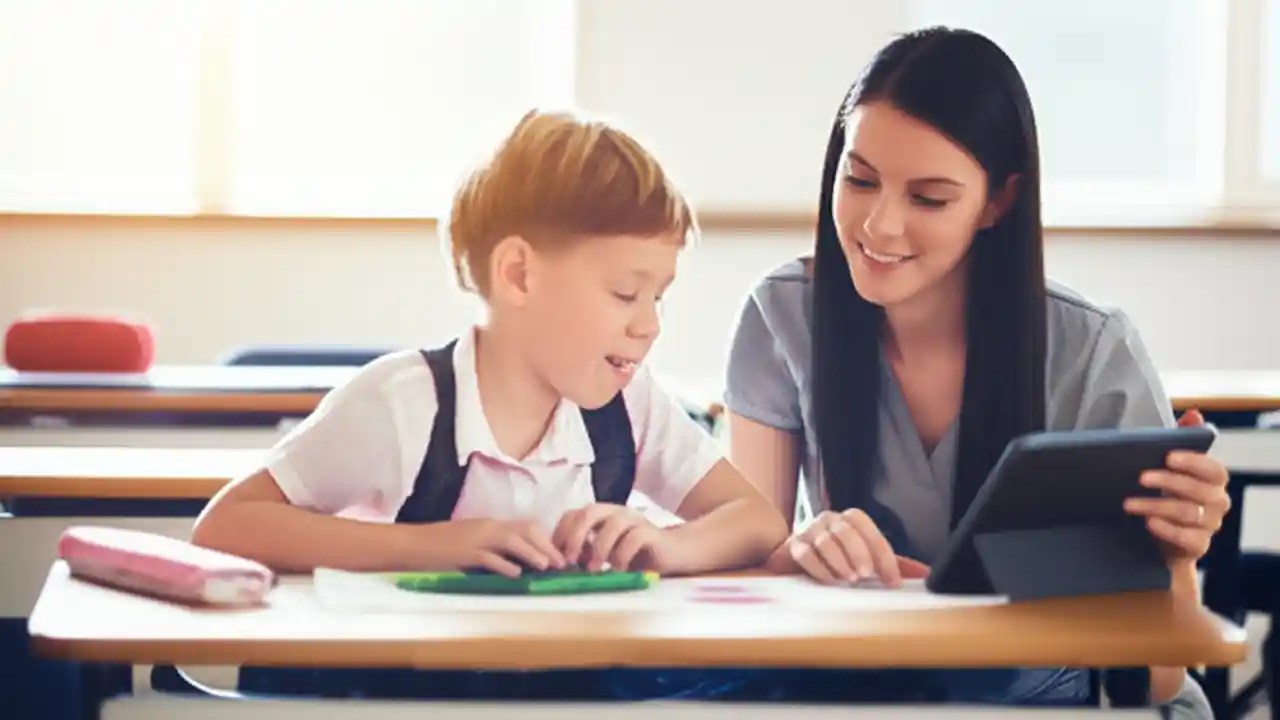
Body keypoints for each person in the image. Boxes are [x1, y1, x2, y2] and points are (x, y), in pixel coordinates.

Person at [192, 108, 789, 700]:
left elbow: (758, 521)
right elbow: (226, 527)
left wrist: (671, 545)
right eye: (626, 293)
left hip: (571, 691)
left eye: (660, 297)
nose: (650, 325)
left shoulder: (631, 404)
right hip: (407, 697)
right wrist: (430, 548)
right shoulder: (404, 403)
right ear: (519, 275)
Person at [724, 27, 1229, 715]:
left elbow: (1151, 682)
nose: (878, 226)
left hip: (1067, 697)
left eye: (928, 199)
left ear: (998, 202)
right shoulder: (783, 316)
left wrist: (1176, 560)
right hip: (881, 689)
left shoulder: (1090, 353)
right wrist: (797, 553)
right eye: (860, 178)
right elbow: (742, 582)